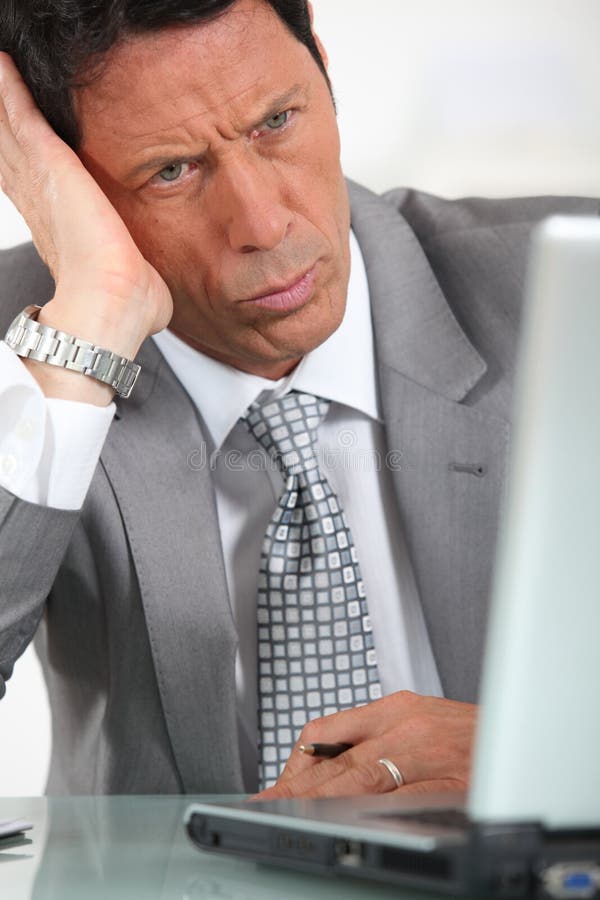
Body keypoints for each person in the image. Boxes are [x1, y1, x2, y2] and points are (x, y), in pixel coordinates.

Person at [0, 0, 596, 797]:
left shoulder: (571, 289)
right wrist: (92, 322)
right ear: (64, 182)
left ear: (318, 52)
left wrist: (542, 753)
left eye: (276, 121)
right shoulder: (34, 350)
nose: (264, 223)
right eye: (171, 170)